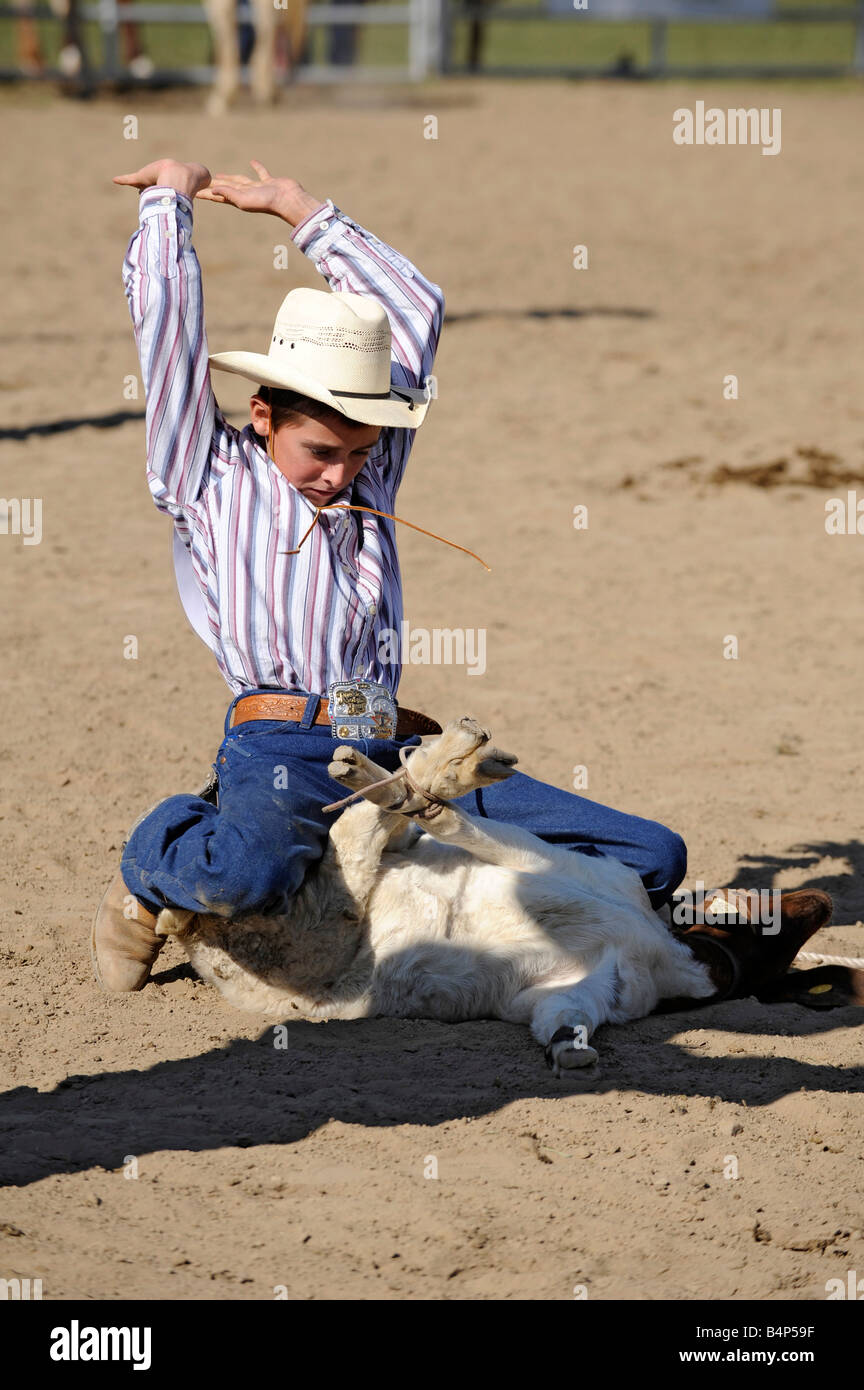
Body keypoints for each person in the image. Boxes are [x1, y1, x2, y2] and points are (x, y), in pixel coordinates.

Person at [92, 156, 688, 993]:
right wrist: (171, 200)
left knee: (653, 855)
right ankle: (148, 873)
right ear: (262, 415)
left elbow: (416, 307)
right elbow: (165, 337)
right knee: (240, 879)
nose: (341, 474)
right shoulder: (207, 474)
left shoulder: (374, 472)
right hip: (283, 747)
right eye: (321, 452)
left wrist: (297, 209)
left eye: (362, 452)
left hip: (402, 749)